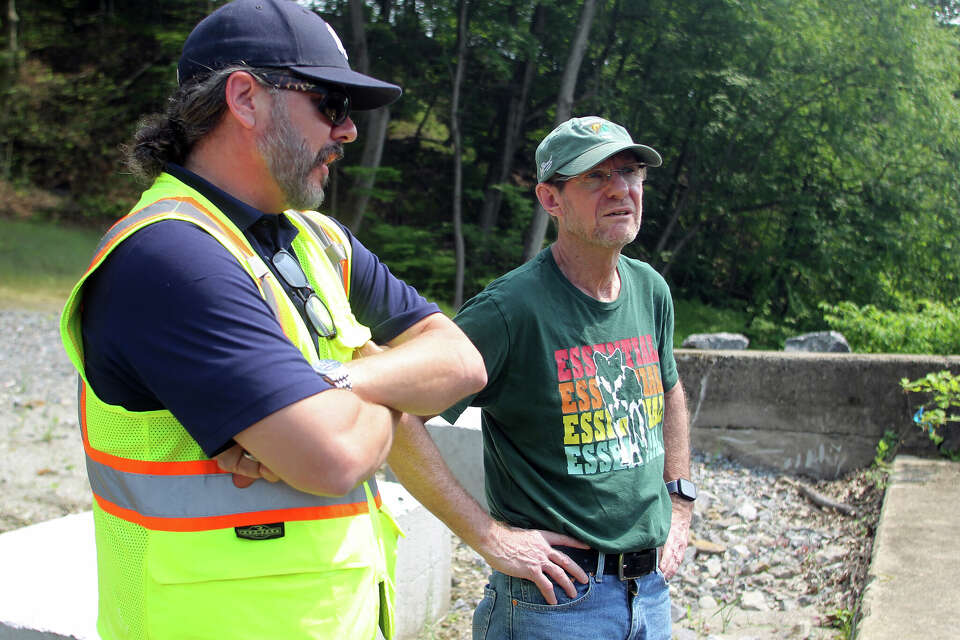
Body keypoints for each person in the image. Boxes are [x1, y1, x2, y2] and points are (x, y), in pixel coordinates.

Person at [57, 1, 485, 639]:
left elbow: (461, 362)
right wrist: (392, 382)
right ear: (246, 98)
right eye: (330, 103)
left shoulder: (318, 239)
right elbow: (335, 457)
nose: (348, 131)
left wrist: (338, 383)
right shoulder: (169, 257)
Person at [384, 116, 694, 640]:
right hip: (554, 604)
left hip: (651, 594)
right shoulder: (510, 311)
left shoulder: (649, 289)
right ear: (551, 200)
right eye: (596, 178)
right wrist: (488, 537)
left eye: (632, 172)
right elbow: (396, 415)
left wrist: (680, 502)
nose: (622, 190)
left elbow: (669, 389)